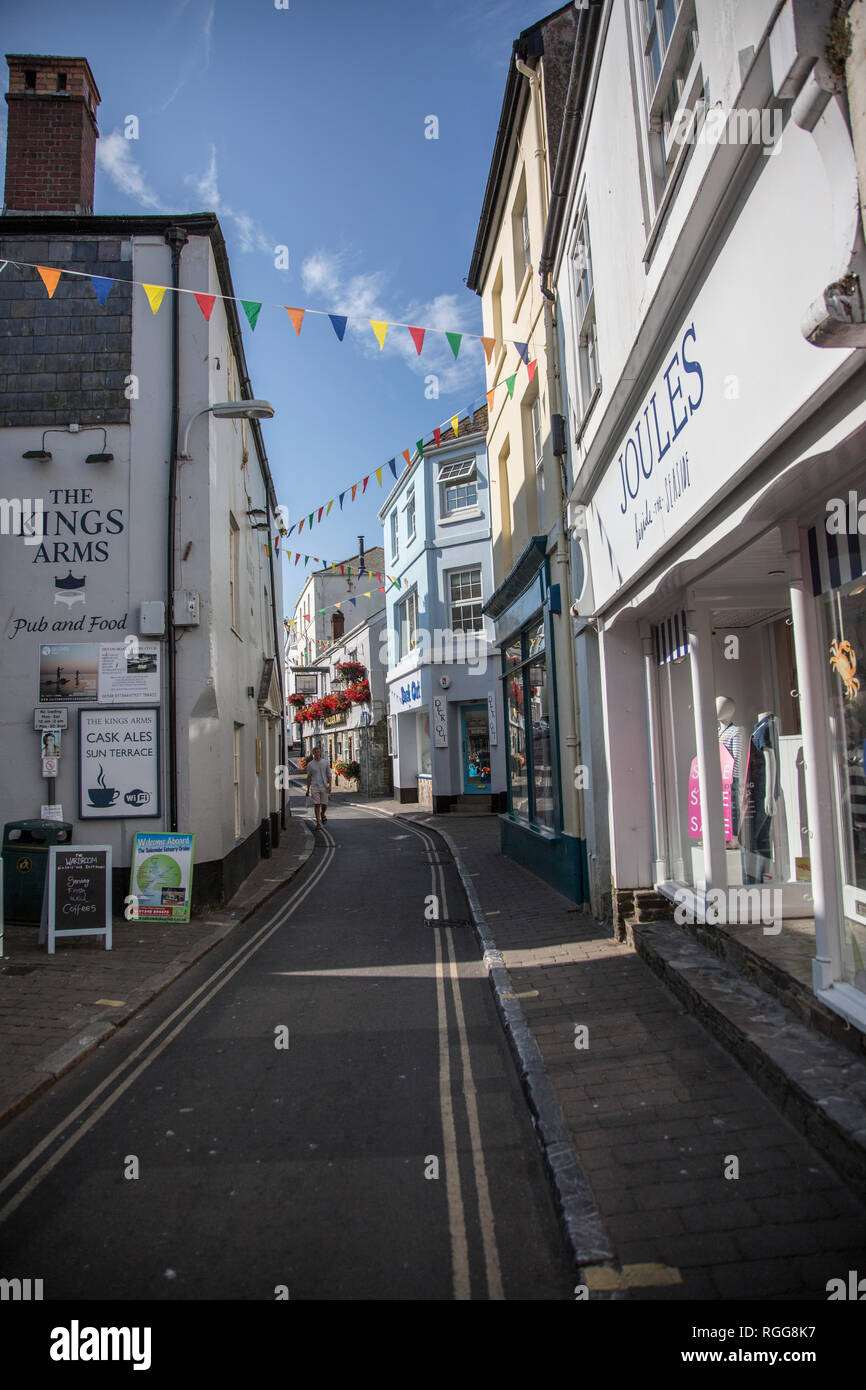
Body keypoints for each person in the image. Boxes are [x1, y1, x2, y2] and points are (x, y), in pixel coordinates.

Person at [306, 745, 332, 827]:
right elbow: (309, 777)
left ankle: (323, 813)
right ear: (313, 754)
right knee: (317, 805)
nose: (316, 754)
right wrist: (308, 789)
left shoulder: (325, 762)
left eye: (318, 752)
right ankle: (318, 823)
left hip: (324, 786)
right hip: (314, 787)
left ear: (320, 753)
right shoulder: (310, 764)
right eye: (315, 752)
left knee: (324, 804)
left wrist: (330, 785)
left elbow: (329, 775)